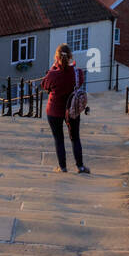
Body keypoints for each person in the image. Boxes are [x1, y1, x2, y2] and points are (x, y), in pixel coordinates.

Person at [41, 43, 90, 173]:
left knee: (59, 139)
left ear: (56, 57)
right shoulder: (77, 73)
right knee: (75, 138)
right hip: (72, 110)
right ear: (70, 57)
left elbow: (44, 85)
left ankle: (62, 168)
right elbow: (79, 84)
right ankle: (80, 166)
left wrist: (54, 67)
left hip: (54, 111)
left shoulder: (52, 74)